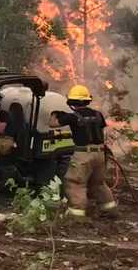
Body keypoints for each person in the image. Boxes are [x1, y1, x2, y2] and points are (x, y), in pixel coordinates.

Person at [49, 84, 117, 218]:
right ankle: (109, 210)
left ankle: (77, 214)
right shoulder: (98, 115)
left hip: (83, 155)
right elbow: (101, 131)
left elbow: (53, 124)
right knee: (98, 184)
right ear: (87, 100)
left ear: (71, 101)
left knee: (75, 183)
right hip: (100, 154)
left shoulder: (73, 117)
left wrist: (54, 114)